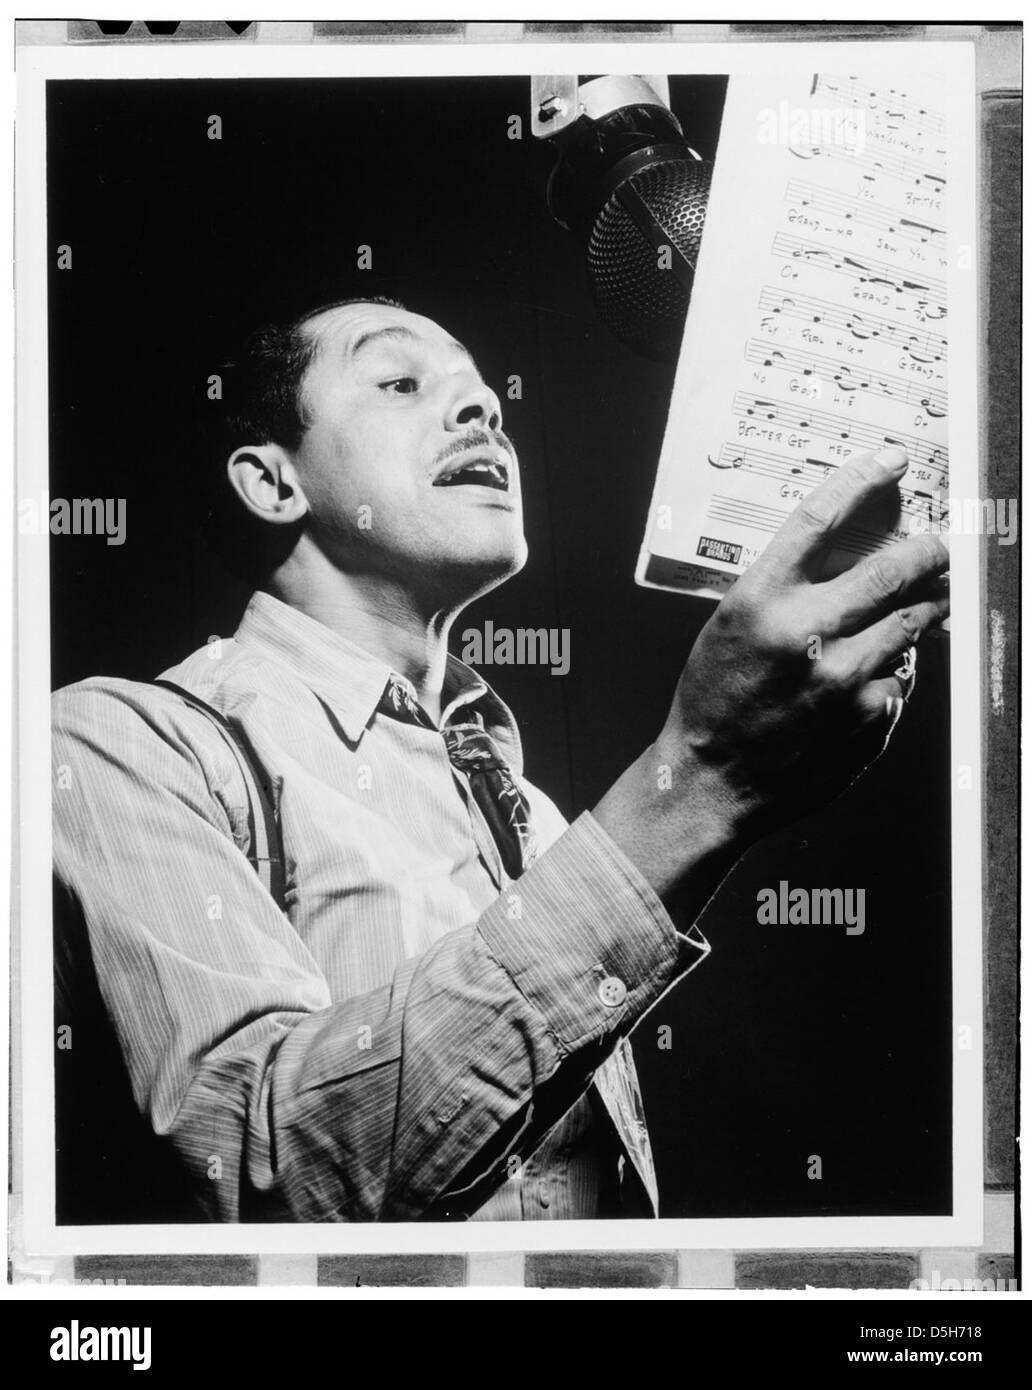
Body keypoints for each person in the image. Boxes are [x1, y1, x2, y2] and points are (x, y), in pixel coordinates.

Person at [51, 296, 949, 1223]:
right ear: (274, 484)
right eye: (401, 382)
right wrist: (699, 788)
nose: (483, 410)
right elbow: (257, 1171)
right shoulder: (114, 744)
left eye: (489, 401)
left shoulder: (534, 815)